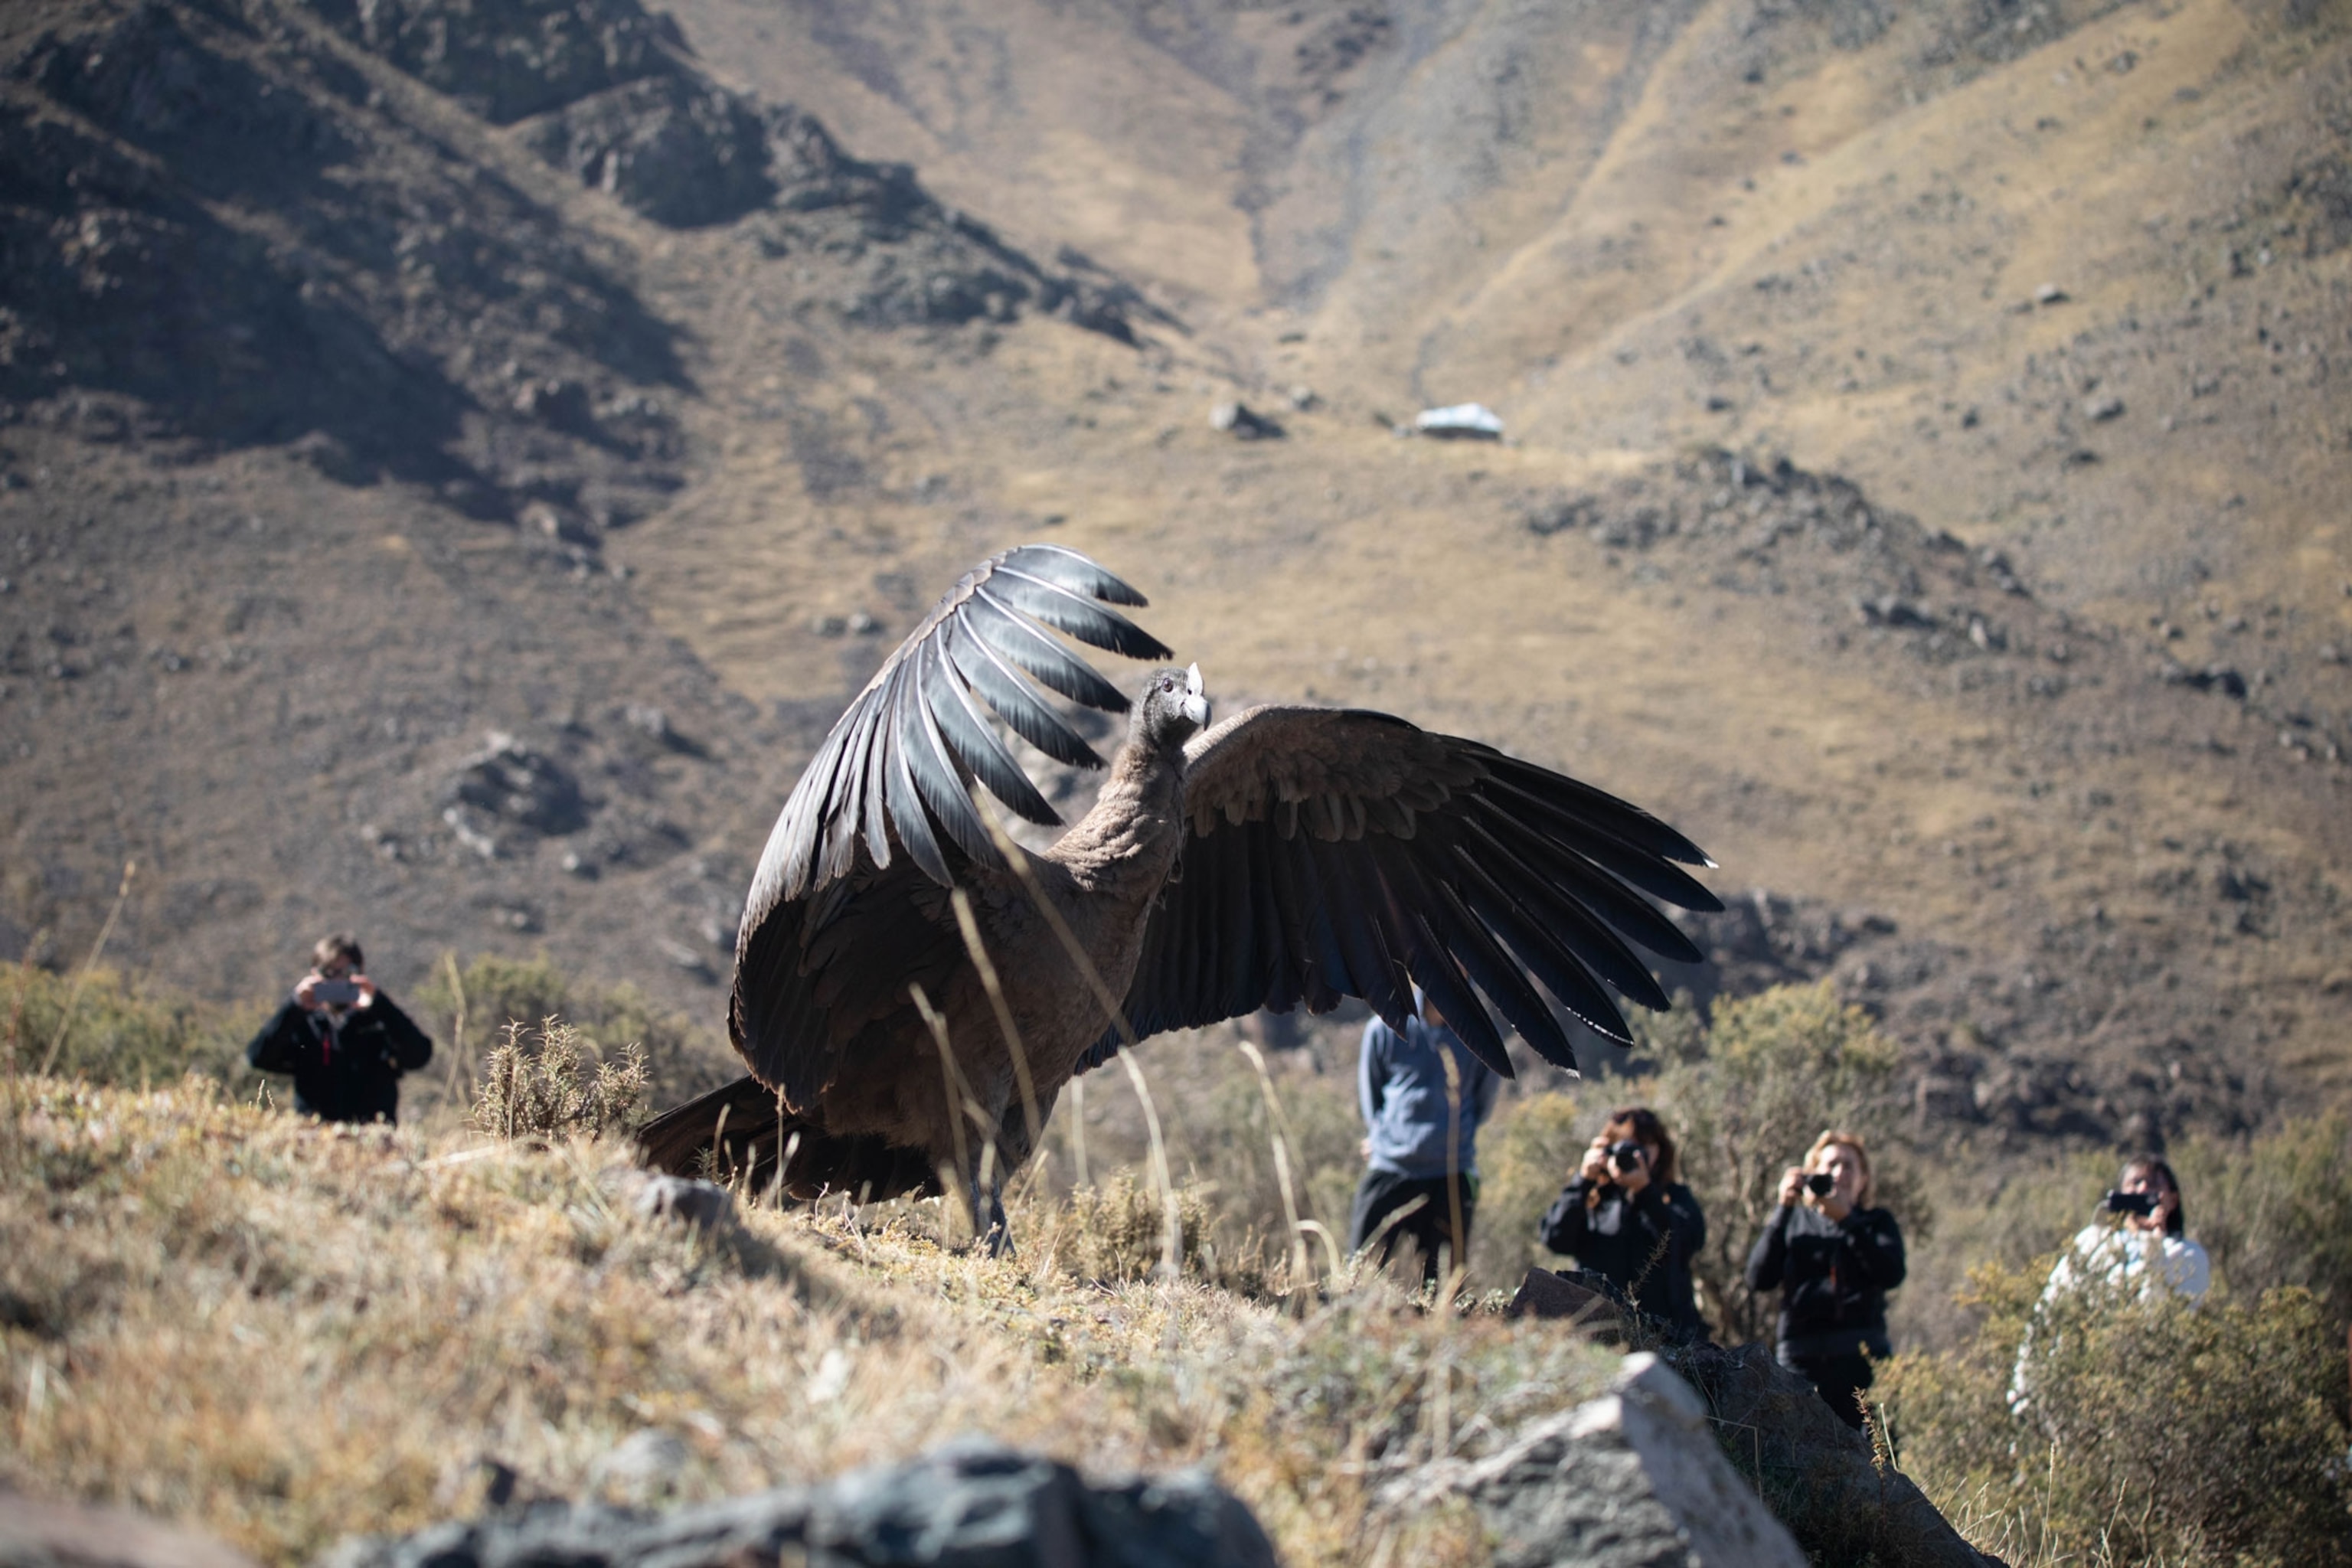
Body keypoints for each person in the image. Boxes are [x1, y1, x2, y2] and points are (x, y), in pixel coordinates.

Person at [2009, 1155, 2210, 1414]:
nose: (2143, 1190)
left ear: (2173, 1198)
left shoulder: (2188, 1255)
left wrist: (2154, 1245)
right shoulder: (2093, 1242)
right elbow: (2049, 1310)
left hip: (2145, 1397)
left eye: (2153, 1184)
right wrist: (2022, 1388)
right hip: (2076, 1389)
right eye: (2135, 1183)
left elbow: (2159, 1319)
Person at [1746, 1129, 1907, 1429]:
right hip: (1800, 1363)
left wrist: (1848, 1221)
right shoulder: (1794, 1221)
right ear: (1811, 1174)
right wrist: (1783, 1207)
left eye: (1849, 1166)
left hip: (1864, 1364)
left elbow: (1891, 1273)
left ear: (1863, 1180)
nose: (1840, 1173)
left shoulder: (1877, 1223)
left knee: (1876, 1463)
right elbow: (1758, 1277)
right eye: (1831, 1165)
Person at [1348, 990, 1501, 1286]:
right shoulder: (1386, 1026)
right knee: (1358, 1275)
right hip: (1390, 1168)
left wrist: (1452, 1136)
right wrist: (1382, 1136)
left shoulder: (1480, 1035)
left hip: (1450, 1173)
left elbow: (1483, 1102)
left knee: (1444, 1286)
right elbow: (1372, 1093)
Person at [1539, 1106, 1708, 1342]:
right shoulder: (1592, 1200)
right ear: (1608, 1150)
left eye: (1645, 1145)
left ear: (1660, 1151)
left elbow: (1688, 1242)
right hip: (1598, 1336)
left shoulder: (1675, 1197)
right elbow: (1555, 1238)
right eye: (1627, 1146)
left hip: (1667, 1338)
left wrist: (1646, 1192)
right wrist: (1583, 1179)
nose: (1635, 1155)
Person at [246, 933, 433, 1125]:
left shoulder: (378, 1023)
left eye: (347, 972)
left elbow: (419, 1056)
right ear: (314, 974)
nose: (337, 980)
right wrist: (294, 1006)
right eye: (329, 972)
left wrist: (380, 1004)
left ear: (360, 973)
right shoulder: (303, 1024)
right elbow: (258, 1056)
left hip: (372, 1139)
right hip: (315, 1139)